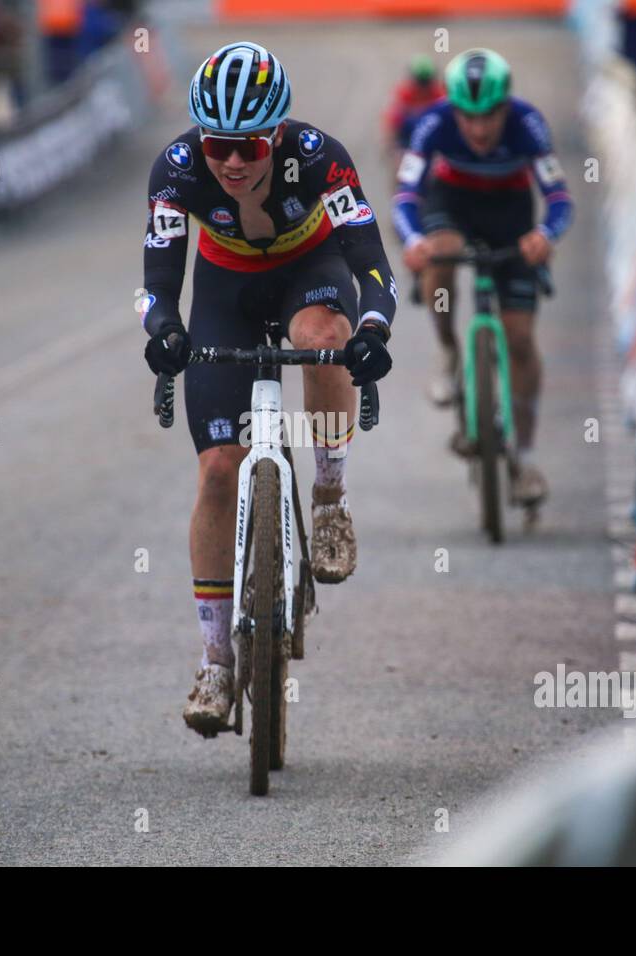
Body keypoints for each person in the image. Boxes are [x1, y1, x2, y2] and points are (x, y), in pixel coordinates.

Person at [140, 41, 397, 736]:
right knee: (219, 470)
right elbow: (160, 281)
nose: (230, 162)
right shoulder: (178, 167)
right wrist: (163, 325)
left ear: (276, 135)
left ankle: (330, 499)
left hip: (308, 269)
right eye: (218, 143)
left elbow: (373, 262)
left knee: (322, 338)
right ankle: (216, 661)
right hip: (224, 291)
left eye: (248, 147)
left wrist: (372, 328)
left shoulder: (320, 157)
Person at [392, 48, 572, 508]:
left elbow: (559, 199)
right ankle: (448, 348)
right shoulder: (433, 123)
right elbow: (405, 196)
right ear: (454, 109)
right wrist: (414, 240)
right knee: (442, 253)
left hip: (511, 215)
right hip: (453, 205)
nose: (478, 129)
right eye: (467, 117)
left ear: (506, 106)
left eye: (489, 116)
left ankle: (526, 459)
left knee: (520, 340)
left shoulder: (528, 125)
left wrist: (545, 233)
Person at [382, 54, 444, 160]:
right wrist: (392, 148)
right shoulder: (403, 95)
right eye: (420, 83)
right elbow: (391, 123)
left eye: (426, 83)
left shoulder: (438, 94)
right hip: (406, 142)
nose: (423, 88)